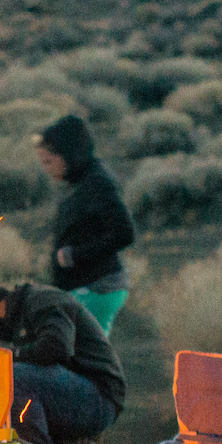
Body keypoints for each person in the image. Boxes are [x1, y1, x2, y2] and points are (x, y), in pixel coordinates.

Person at [0, 279, 124, 444]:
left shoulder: (42, 300)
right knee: (9, 395)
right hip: (74, 393)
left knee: (12, 379)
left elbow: (56, 348)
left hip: (99, 395)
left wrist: (6, 356)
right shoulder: (21, 319)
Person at [35, 114, 135, 335]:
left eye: (49, 161)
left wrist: (75, 255)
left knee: (83, 357)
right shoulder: (81, 183)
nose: (47, 169)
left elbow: (124, 233)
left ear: (69, 155)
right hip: (86, 288)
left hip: (97, 288)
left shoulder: (96, 183)